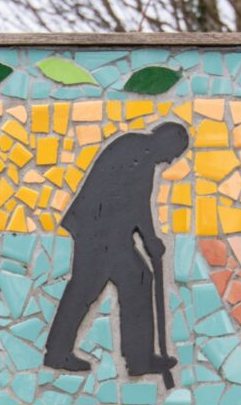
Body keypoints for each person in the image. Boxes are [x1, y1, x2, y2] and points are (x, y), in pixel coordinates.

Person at [43, 120, 191, 381]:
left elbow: (135, 204)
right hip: (97, 232)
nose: (170, 160)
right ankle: (57, 352)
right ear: (165, 142)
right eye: (173, 154)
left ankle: (139, 358)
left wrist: (149, 239)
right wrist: (149, 239)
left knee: (137, 279)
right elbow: (135, 204)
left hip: (112, 234)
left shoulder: (139, 151)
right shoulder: (136, 151)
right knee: (85, 289)